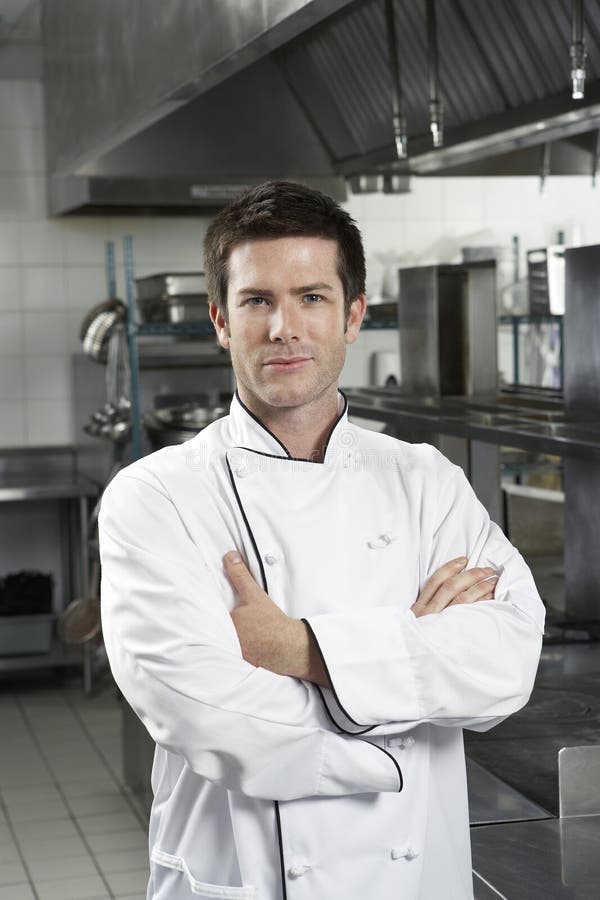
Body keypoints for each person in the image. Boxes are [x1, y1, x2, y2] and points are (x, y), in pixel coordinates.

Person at [99, 181, 545, 900]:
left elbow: (508, 661)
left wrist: (296, 650)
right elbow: (207, 713)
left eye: (311, 297)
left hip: (416, 878)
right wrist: (397, 721)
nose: (284, 327)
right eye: (256, 301)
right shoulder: (156, 497)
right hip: (248, 878)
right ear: (219, 320)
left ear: (353, 317)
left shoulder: (424, 479)